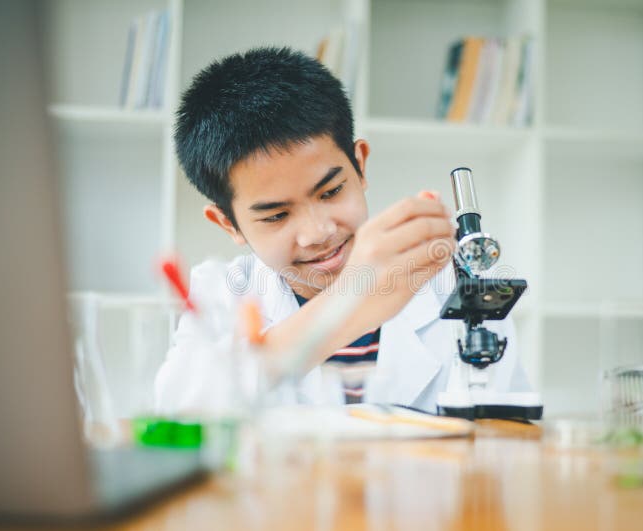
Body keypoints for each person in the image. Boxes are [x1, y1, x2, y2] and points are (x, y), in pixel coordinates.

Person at [154, 47, 532, 413]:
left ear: (360, 165)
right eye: (276, 216)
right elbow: (179, 413)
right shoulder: (221, 294)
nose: (317, 232)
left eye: (331, 191)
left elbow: (508, 434)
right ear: (228, 223)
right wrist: (349, 301)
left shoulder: (452, 284)